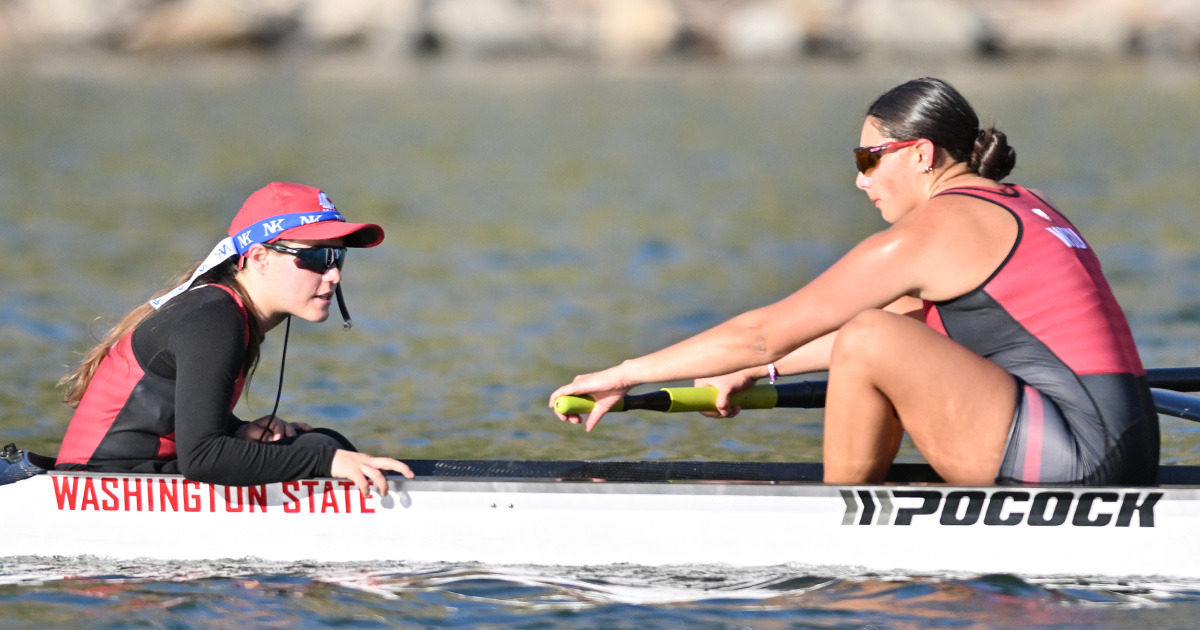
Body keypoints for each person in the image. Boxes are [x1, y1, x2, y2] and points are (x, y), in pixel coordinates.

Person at [549, 77, 1158, 486]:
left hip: (1075, 458)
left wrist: (626, 373)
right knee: (875, 332)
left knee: (866, 335)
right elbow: (896, 324)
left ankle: (840, 526)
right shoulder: (1023, 204)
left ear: (920, 155)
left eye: (870, 159)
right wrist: (764, 371)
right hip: (1124, 445)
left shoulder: (936, 231)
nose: (862, 180)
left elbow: (764, 332)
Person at [56, 182, 413, 496]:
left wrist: (240, 431)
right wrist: (324, 460)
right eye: (317, 256)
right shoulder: (213, 319)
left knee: (319, 444)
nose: (333, 274)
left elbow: (160, 417)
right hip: (100, 486)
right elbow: (203, 458)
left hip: (131, 477)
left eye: (338, 256)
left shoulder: (221, 309)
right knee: (322, 450)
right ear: (259, 257)